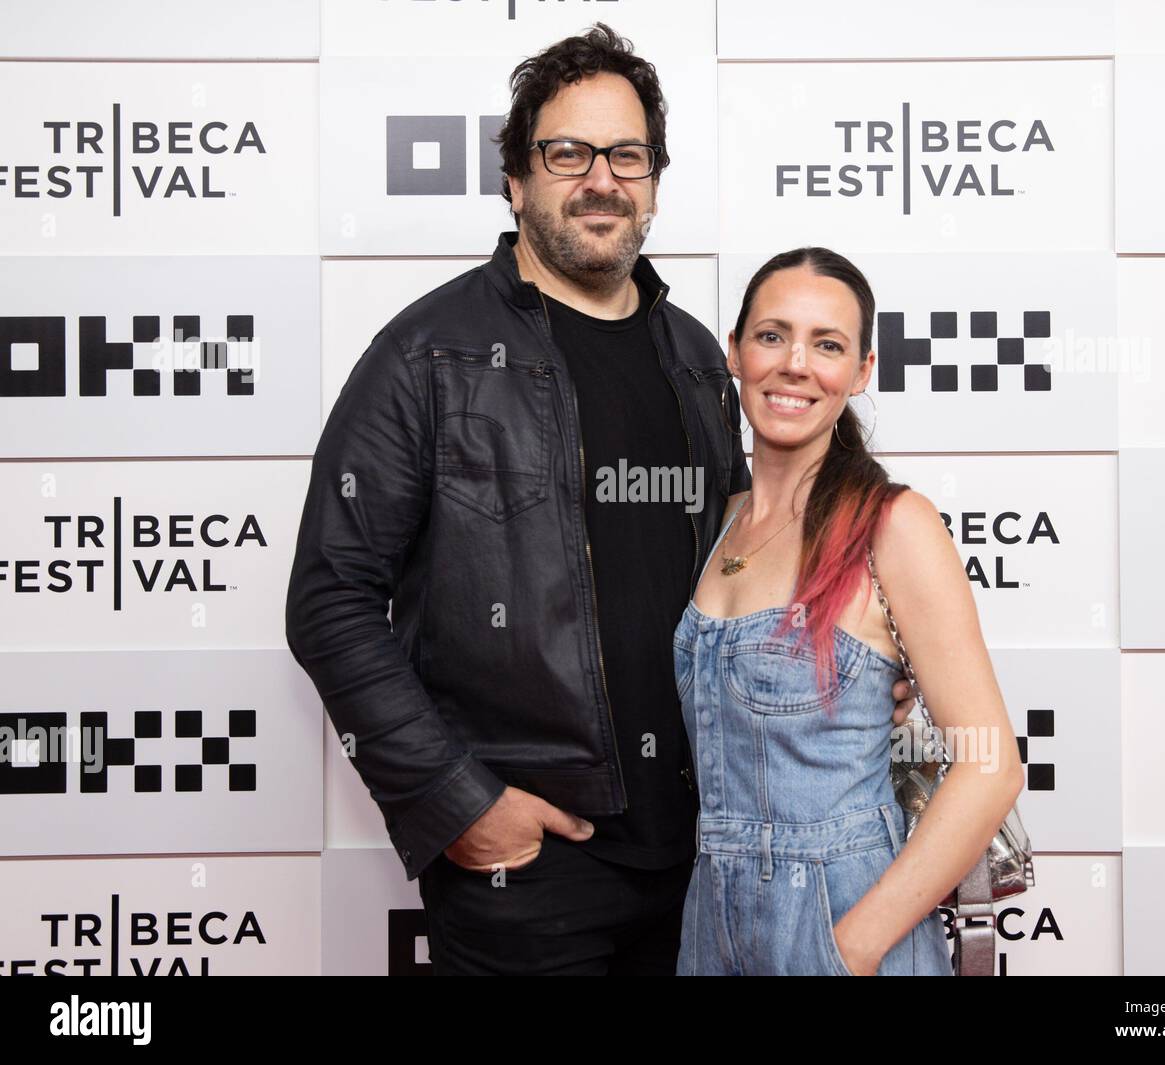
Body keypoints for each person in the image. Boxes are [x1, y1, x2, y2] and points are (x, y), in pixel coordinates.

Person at [285, 23, 915, 976]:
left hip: (713, 859)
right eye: (567, 152)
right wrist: (459, 802)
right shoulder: (430, 355)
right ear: (516, 179)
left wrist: (849, 672)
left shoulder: (703, 357)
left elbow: (747, 568)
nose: (601, 179)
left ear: (654, 182)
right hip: (533, 878)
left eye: (627, 155)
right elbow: (329, 598)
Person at [674, 247, 1025, 975]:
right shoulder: (722, 521)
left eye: (827, 344)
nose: (795, 363)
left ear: (862, 370)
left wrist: (848, 950)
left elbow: (990, 766)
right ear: (735, 351)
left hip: (845, 922)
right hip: (711, 924)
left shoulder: (892, 524)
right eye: (772, 335)